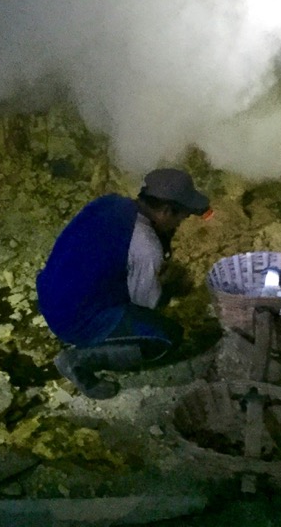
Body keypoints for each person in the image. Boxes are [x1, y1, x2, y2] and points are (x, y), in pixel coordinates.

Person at [36, 167, 209, 399]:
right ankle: (77, 360)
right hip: (73, 320)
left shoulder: (110, 203)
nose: (180, 224)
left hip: (51, 297)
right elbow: (146, 305)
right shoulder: (146, 245)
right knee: (166, 336)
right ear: (166, 211)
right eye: (181, 217)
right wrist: (171, 289)